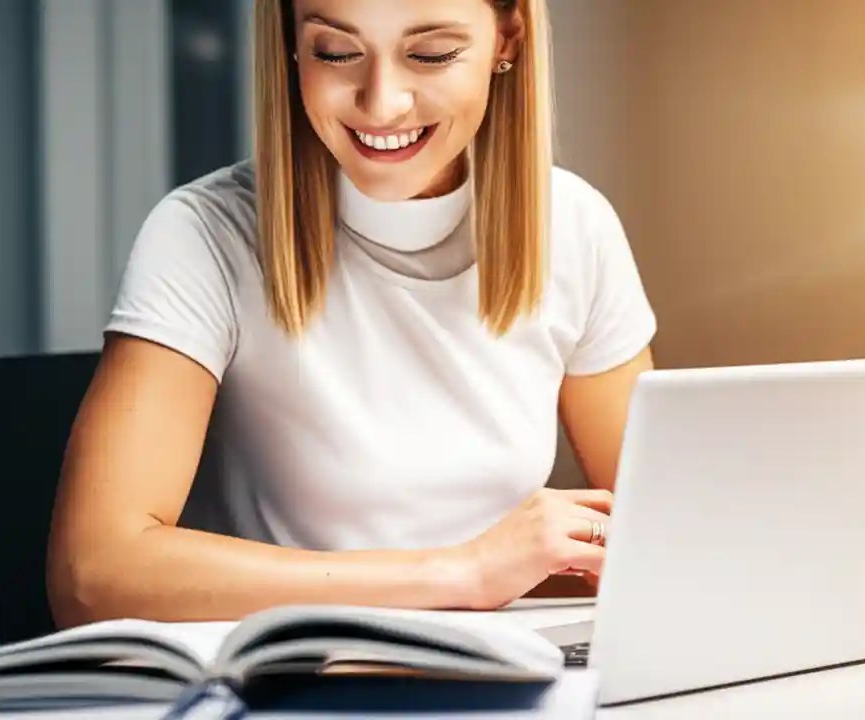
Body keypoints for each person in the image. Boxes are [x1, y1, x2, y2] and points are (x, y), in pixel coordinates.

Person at [46, 0, 656, 628]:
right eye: (336, 53)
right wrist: (462, 572)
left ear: (508, 38)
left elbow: (667, 532)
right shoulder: (204, 233)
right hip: (292, 682)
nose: (382, 102)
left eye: (431, 54)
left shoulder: (576, 225)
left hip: (497, 669)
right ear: (290, 47)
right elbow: (94, 578)